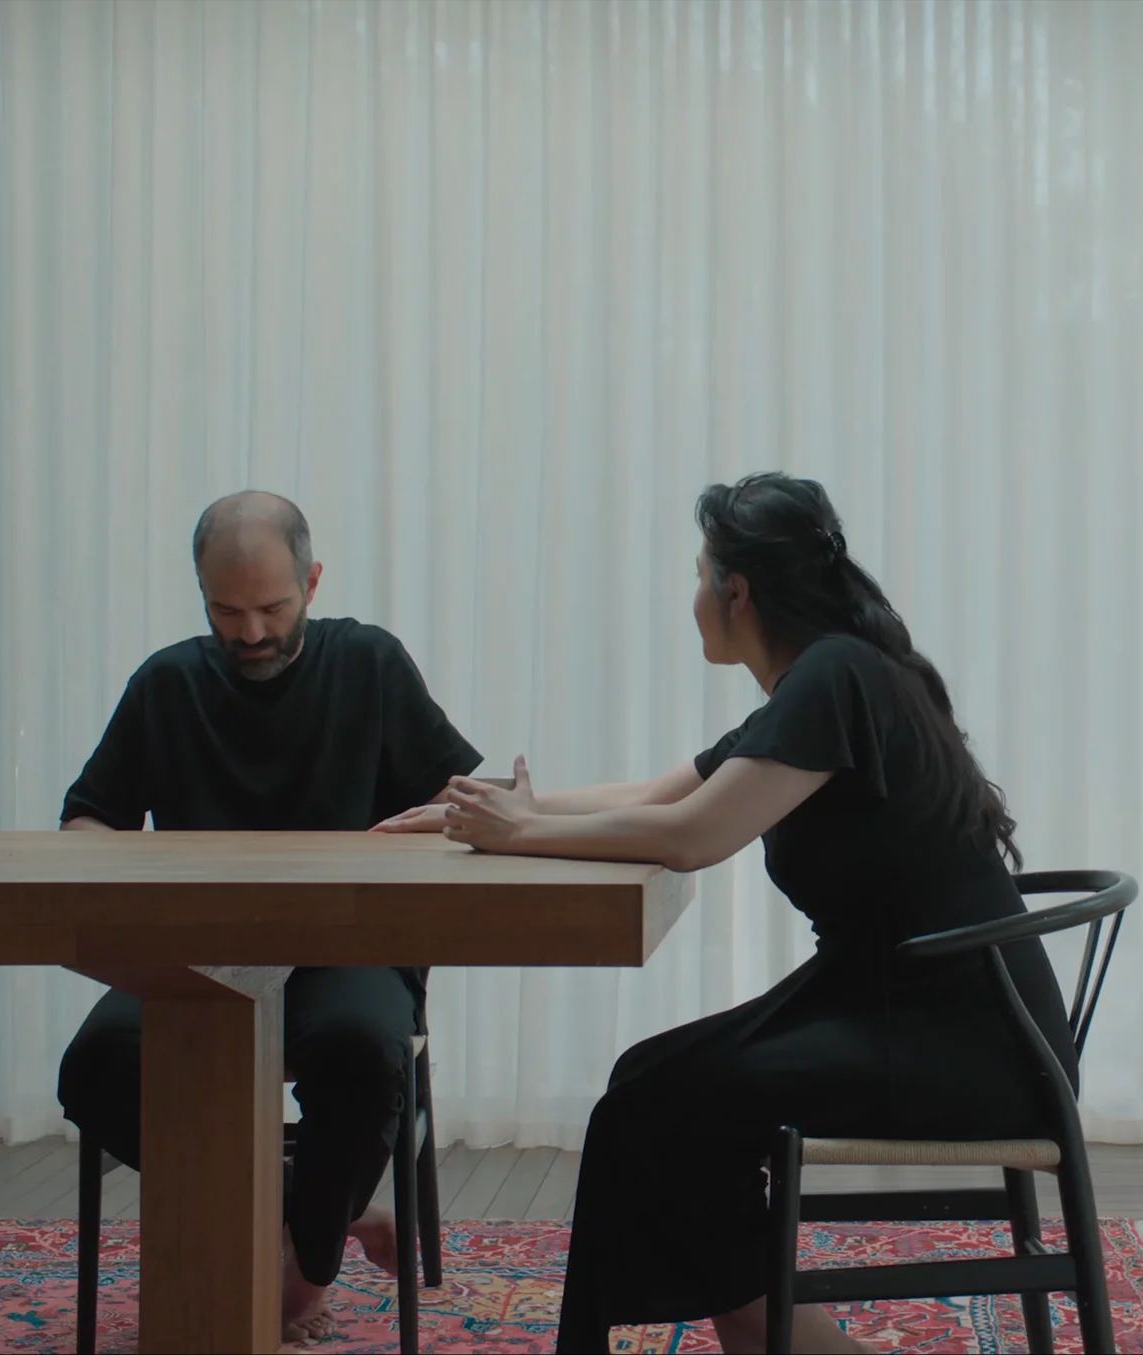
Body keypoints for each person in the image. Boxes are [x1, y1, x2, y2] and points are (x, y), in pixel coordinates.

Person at [374, 472, 1079, 1355]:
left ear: (734, 587)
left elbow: (693, 834)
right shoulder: (830, 672)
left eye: (700, 572)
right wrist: (490, 809)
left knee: (657, 1104)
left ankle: (768, 1335)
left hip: (964, 1038)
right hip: (907, 1005)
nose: (695, 594)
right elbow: (660, 793)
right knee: (648, 1085)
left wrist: (516, 836)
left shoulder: (833, 677)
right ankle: (773, 1333)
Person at [56, 490, 482, 1343]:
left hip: (349, 952)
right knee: (98, 1065)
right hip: (199, 962)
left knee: (362, 1056)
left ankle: (302, 1261)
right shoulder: (168, 681)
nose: (249, 631)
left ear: (312, 581)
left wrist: (429, 820)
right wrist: (125, 880)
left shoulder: (368, 664)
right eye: (226, 609)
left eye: (272, 608)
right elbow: (86, 818)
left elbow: (462, 794)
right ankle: (326, 1217)